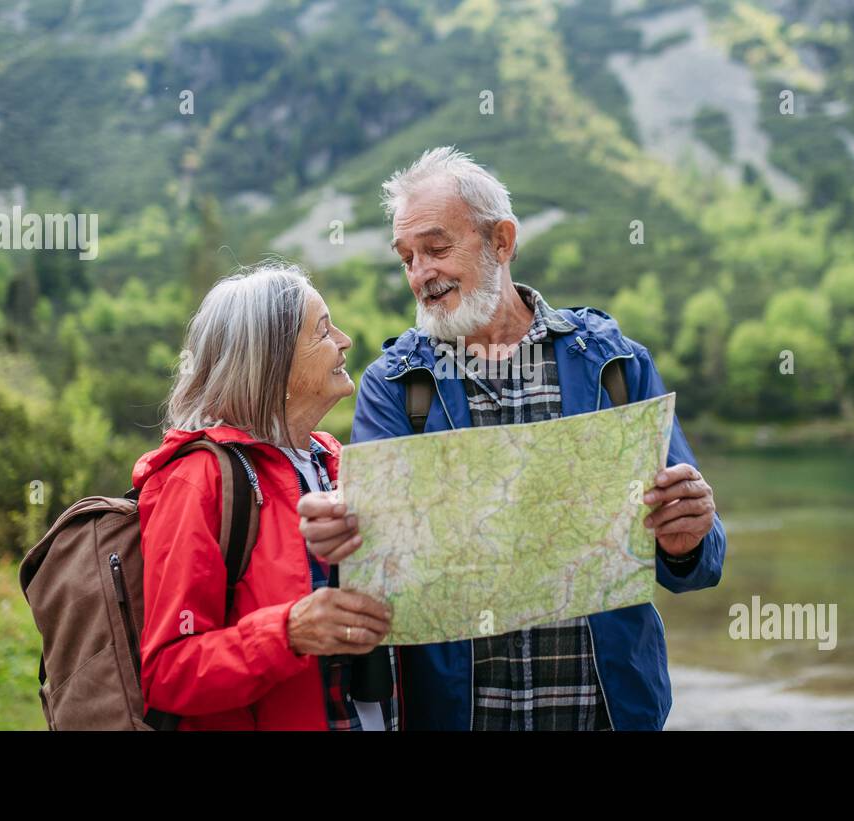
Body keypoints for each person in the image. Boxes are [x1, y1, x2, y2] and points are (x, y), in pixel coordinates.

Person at [299, 147, 726, 730]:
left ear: (501, 241)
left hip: (606, 715)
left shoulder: (614, 363)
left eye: (437, 247)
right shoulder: (393, 387)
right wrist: (336, 541)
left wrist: (688, 535)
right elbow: (377, 575)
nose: (420, 273)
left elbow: (699, 563)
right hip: (460, 716)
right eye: (407, 258)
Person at [132, 264, 397, 730]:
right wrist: (289, 633)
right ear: (271, 361)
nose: (345, 339)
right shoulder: (198, 479)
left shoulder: (331, 460)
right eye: (322, 331)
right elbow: (169, 673)